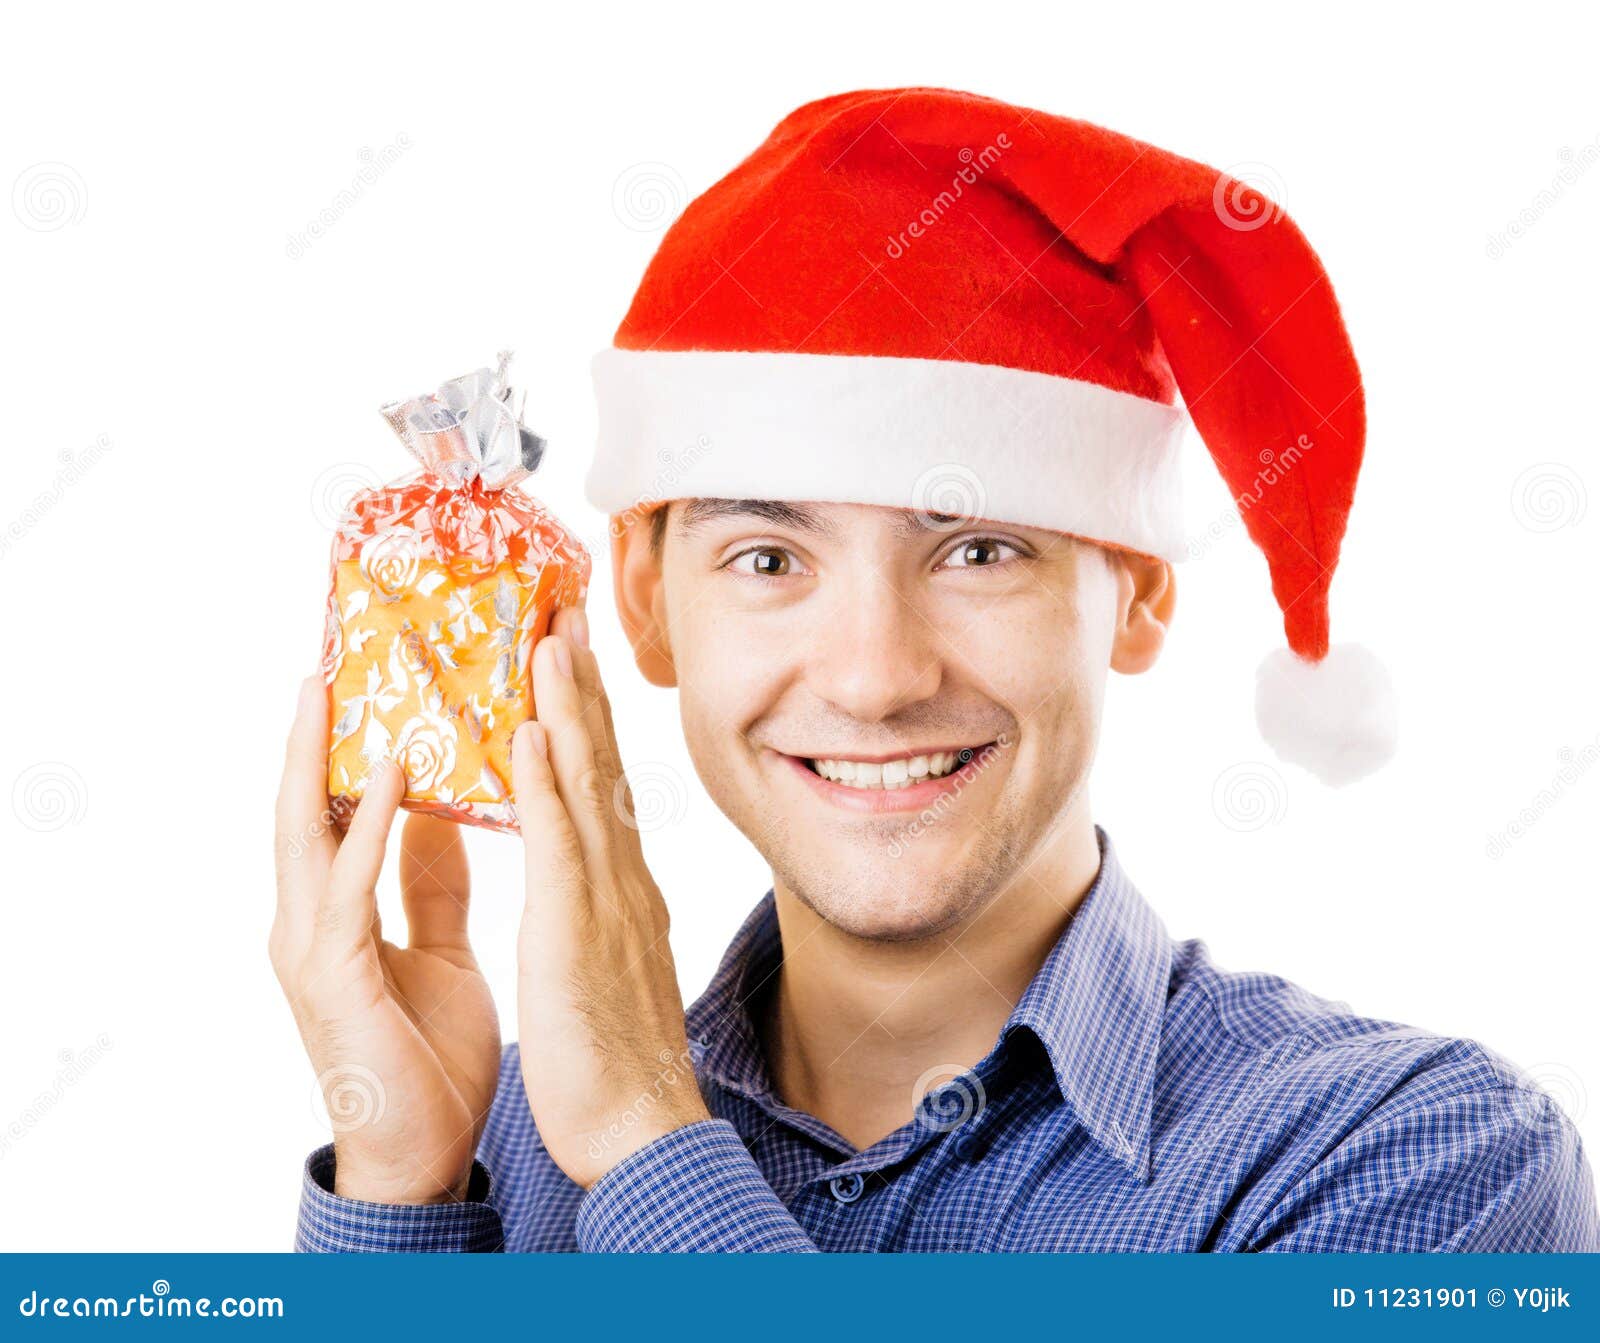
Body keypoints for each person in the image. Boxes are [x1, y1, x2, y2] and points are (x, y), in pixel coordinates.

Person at [272, 87, 1599, 1252]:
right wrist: (403, 1186)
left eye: (977, 552)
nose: (873, 677)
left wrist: (641, 1145)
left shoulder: (1420, 1166)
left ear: (1137, 592)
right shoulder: (502, 1145)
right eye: (768, 559)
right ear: (644, 604)